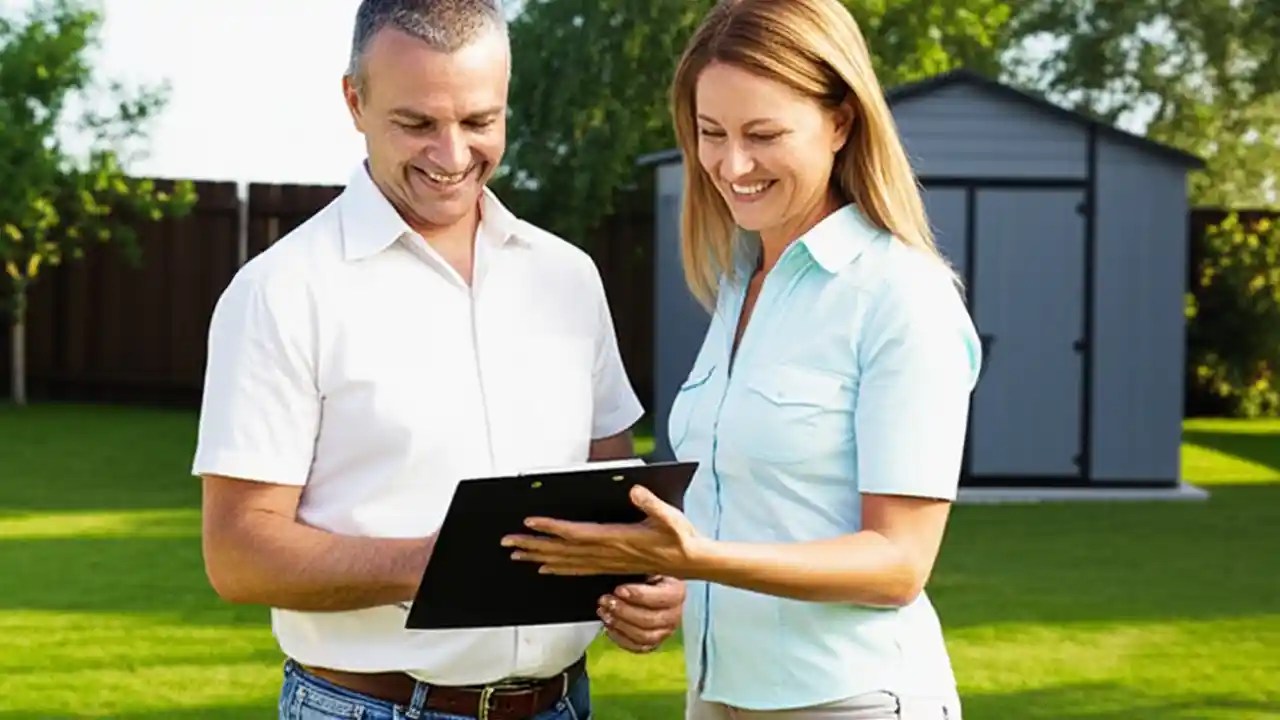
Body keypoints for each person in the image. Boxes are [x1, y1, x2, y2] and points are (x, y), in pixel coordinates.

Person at [191, 1, 684, 719]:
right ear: (355, 101)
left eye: (480, 122)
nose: (452, 157)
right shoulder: (282, 291)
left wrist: (646, 580)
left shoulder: (568, 277)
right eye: (417, 123)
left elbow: (611, 493)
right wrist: (437, 563)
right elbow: (237, 554)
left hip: (563, 704)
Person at [502, 0, 982, 718]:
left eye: (763, 134)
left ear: (842, 121)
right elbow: (752, 515)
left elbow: (897, 564)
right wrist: (672, 587)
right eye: (710, 133)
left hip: (854, 699)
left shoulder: (900, 295)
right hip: (719, 696)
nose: (731, 164)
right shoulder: (738, 286)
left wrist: (694, 561)